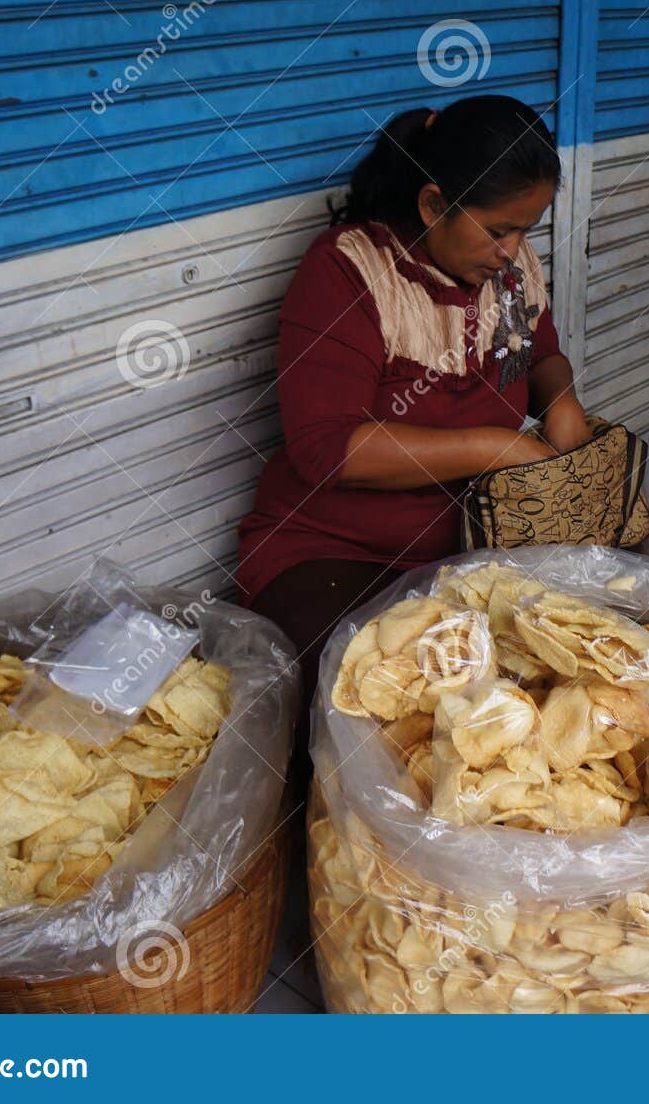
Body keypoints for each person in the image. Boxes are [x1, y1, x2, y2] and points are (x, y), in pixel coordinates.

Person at [237, 95, 590, 734]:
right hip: (334, 553)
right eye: (498, 229)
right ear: (434, 205)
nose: (513, 250)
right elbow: (326, 447)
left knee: (555, 696)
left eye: (526, 231)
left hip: (475, 549)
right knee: (385, 706)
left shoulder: (508, 276)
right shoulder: (348, 273)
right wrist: (498, 449)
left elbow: (540, 355)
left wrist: (562, 401)